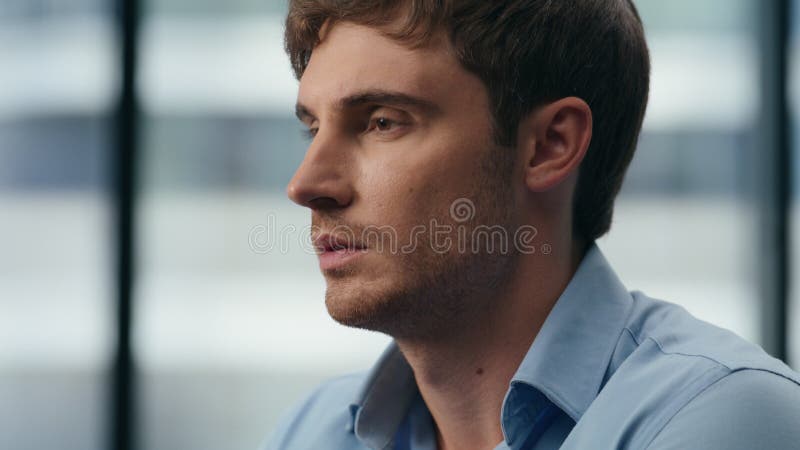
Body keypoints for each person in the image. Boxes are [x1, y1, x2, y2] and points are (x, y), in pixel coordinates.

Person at [264, 1, 800, 449]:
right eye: (313, 128)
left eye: (382, 122)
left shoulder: (725, 416)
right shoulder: (311, 430)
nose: (305, 184)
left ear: (550, 145)